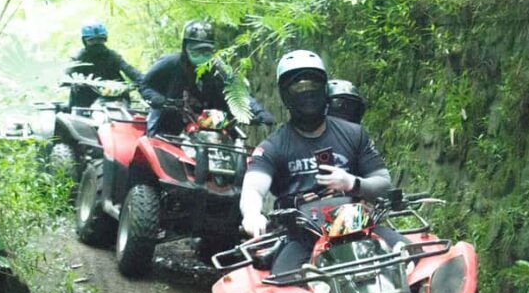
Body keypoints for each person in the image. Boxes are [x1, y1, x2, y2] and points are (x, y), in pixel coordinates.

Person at [240, 50, 394, 274]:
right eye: (298, 86)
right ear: (285, 93)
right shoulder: (273, 146)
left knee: (416, 260)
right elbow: (253, 188)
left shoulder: (354, 134)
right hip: (303, 236)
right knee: (281, 284)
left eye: (313, 84)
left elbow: (382, 181)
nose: (307, 92)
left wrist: (352, 183)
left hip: (360, 226)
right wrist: (252, 214)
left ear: (324, 87)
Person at [140, 20, 273, 136]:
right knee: (155, 149)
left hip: (207, 122)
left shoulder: (219, 69)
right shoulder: (170, 63)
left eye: (206, 51)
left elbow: (239, 92)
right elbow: (145, 85)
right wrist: (157, 99)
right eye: (195, 50)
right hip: (168, 123)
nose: (201, 55)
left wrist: (259, 111)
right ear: (185, 48)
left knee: (233, 148)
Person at [66, 22, 142, 109]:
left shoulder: (112, 56)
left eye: (100, 40)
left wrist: (144, 81)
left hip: (113, 97)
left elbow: (130, 70)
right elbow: (66, 76)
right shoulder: (78, 58)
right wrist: (76, 81)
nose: (96, 43)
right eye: (91, 40)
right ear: (84, 41)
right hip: (85, 101)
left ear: (105, 39)